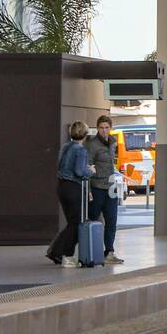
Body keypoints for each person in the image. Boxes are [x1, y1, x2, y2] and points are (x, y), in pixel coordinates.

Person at [47, 121, 95, 266]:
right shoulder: (81, 150)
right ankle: (66, 255)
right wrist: (90, 171)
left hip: (62, 187)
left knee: (72, 223)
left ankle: (55, 251)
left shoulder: (66, 146)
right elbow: (80, 172)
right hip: (74, 189)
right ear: (85, 134)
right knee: (76, 223)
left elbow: (65, 166)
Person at [85, 114, 125, 265]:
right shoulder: (92, 145)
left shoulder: (112, 142)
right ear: (97, 128)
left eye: (106, 127)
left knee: (112, 220)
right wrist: (88, 189)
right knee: (93, 219)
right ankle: (90, 251)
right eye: (101, 128)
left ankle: (109, 252)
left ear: (110, 128)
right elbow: (88, 167)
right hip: (96, 187)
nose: (104, 130)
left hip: (111, 187)